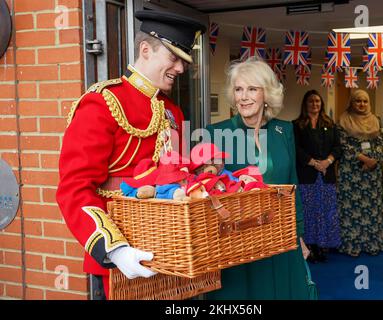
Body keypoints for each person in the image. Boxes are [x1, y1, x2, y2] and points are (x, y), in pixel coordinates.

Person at [56, 11, 206, 299]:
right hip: (122, 261)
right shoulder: (101, 102)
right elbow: (74, 189)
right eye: (174, 58)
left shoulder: (172, 111)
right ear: (145, 50)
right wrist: (115, 249)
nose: (181, 69)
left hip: (171, 254)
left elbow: (177, 176)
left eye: (184, 61)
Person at [204, 57, 314, 299]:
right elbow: (207, 192)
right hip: (237, 241)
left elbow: (292, 185)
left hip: (279, 235)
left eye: (252, 89)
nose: (244, 97)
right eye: (239, 89)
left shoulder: (284, 130)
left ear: (267, 94)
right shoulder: (216, 134)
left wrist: (299, 234)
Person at [337, 89, 383, 257]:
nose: (362, 104)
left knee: (371, 209)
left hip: (371, 172)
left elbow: (380, 143)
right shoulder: (344, 120)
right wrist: (364, 159)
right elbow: (343, 145)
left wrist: (373, 160)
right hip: (351, 172)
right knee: (351, 209)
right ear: (351, 102)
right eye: (358, 101)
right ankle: (353, 246)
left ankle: (372, 245)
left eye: (365, 101)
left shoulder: (376, 120)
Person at [293, 90, 341, 263]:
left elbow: (337, 148)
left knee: (326, 212)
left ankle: (322, 246)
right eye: (311, 101)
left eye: (318, 101)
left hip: (326, 176)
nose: (315, 104)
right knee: (309, 212)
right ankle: (310, 247)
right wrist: (314, 163)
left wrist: (327, 162)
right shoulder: (297, 125)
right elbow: (296, 150)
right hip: (307, 176)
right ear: (305, 104)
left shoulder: (330, 124)